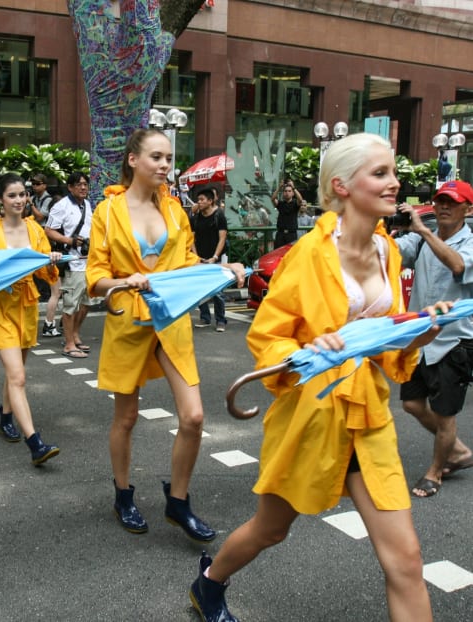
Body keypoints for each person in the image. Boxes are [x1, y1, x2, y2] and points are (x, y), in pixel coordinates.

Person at [188, 133, 440, 622]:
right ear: (341, 186)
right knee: (271, 529)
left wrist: (419, 333)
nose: (395, 183)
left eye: (393, 172)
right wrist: (305, 351)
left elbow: (386, 344)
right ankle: (210, 582)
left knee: (406, 560)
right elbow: (267, 335)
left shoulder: (388, 252)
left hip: (368, 418)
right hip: (313, 416)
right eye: (381, 173)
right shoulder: (308, 253)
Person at [86, 129, 246, 541]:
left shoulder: (175, 210)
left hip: (172, 321)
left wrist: (222, 269)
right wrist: (123, 282)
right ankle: (123, 494)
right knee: (126, 418)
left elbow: (188, 262)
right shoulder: (108, 211)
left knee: (193, 417)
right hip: (129, 322)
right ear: (133, 159)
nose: (164, 165)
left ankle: (178, 501)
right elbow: (96, 276)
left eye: (169, 158)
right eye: (156, 156)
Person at [0, 172, 62, 462]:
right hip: (0, 307)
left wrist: (51, 261)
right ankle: (35, 443)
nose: (19, 200)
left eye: (22, 194)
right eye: (12, 195)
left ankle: (6, 415)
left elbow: (45, 273)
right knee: (18, 376)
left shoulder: (35, 230)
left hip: (26, 306)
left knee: (16, 374)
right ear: (0, 199)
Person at [395, 179, 473, 498]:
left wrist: (424, 231)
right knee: (412, 404)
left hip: (454, 341)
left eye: (452, 202)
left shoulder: (468, 243)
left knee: (445, 414)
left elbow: (457, 265)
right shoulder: (421, 239)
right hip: (421, 338)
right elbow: (391, 254)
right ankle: (458, 451)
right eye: (440, 200)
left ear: (468, 209)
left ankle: (435, 472)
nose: (443, 207)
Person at [45, 171, 94, 358]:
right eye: (79, 184)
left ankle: (74, 334)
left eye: (85, 184)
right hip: (72, 262)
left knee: (87, 302)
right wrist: (70, 241)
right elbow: (49, 230)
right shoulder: (61, 206)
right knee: (71, 305)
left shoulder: (87, 204)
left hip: (88, 260)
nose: (83, 187)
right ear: (70, 187)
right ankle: (69, 344)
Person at [190, 187, 228, 332]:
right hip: (200, 258)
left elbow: (222, 238)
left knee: (218, 291)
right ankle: (205, 317)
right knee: (200, 289)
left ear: (210, 201)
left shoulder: (219, 215)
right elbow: (191, 238)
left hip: (216, 258)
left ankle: (220, 320)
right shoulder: (195, 217)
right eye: (198, 200)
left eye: (202, 200)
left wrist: (215, 257)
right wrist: (196, 256)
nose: (199, 202)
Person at [30, 173, 62, 337]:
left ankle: (54, 323)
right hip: (46, 250)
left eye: (38, 183)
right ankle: (50, 324)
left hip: (49, 249)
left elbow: (39, 216)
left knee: (57, 290)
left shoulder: (47, 201)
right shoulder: (34, 199)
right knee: (56, 291)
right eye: (33, 183)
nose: (34, 186)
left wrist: (30, 204)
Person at [271, 179, 303, 247]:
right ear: (283, 193)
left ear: (293, 193)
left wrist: (293, 187)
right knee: (278, 252)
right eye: (285, 191)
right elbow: (273, 199)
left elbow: (300, 199)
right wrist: (279, 187)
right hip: (280, 234)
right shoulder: (280, 203)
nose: (287, 193)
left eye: (289, 191)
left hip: (291, 234)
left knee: (291, 253)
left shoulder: (295, 204)